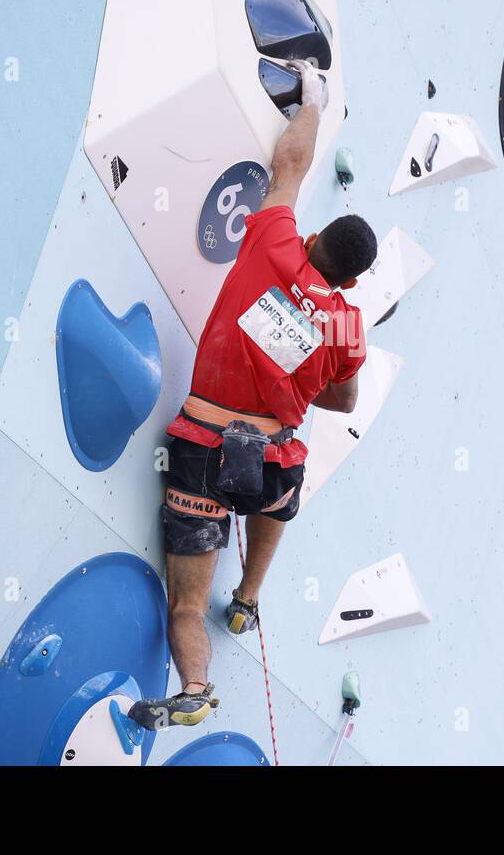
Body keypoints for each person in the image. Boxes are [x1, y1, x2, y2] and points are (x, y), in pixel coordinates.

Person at [129, 61, 377, 730]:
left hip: (201, 449)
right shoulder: (347, 325)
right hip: (268, 461)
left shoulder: (275, 243)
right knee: (285, 471)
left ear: (317, 239)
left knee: (186, 606)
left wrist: (314, 99)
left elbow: (291, 162)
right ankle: (248, 598)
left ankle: (196, 684)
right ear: (351, 282)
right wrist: (298, 376)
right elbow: (344, 402)